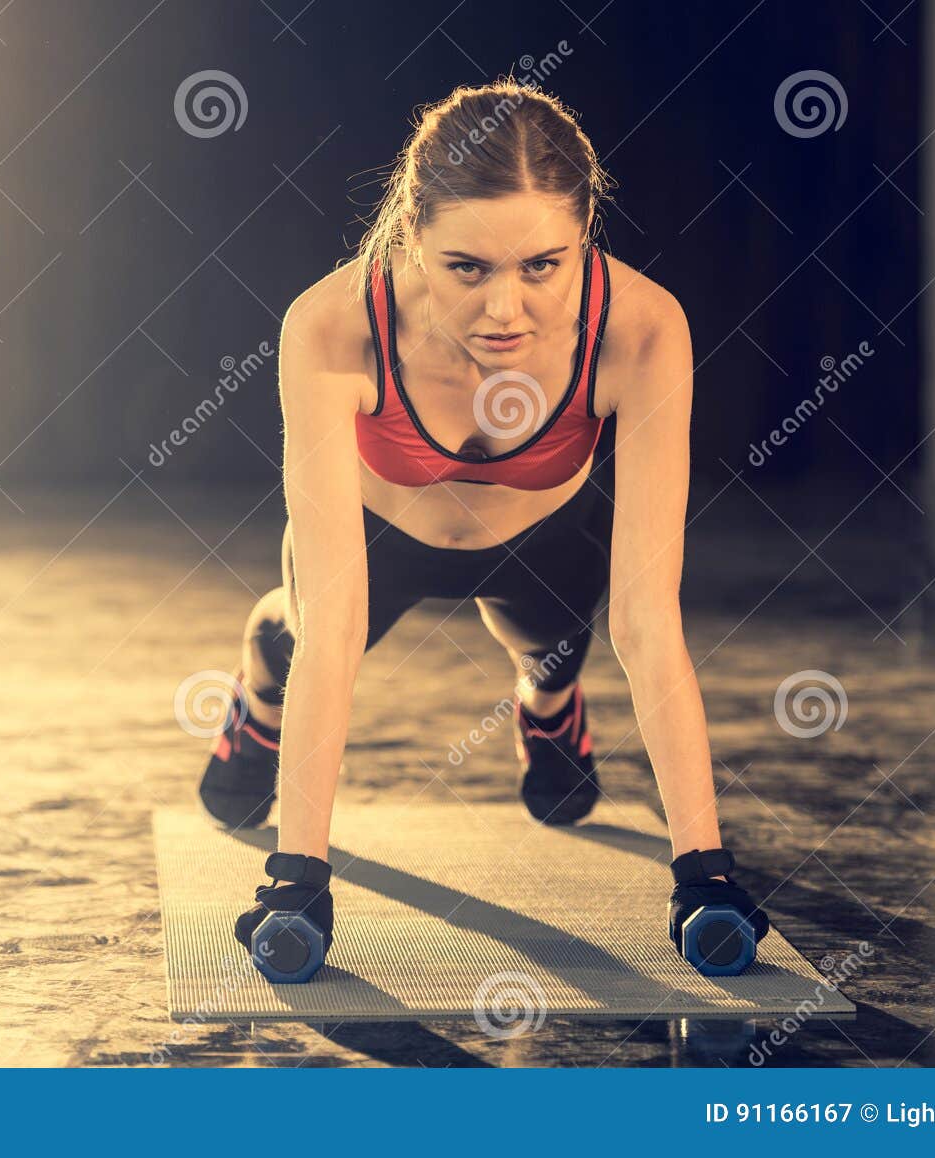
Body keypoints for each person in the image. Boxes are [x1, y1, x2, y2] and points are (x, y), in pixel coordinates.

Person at [196, 80, 769, 967]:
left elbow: (648, 620)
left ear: (586, 235)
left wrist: (705, 873)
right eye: (468, 268)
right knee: (300, 636)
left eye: (542, 265)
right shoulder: (334, 325)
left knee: (556, 655)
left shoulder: (643, 328)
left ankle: (548, 707)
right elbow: (338, 622)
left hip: (547, 549)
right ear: (412, 236)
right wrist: (296, 879)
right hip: (379, 547)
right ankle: (257, 701)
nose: (506, 309)